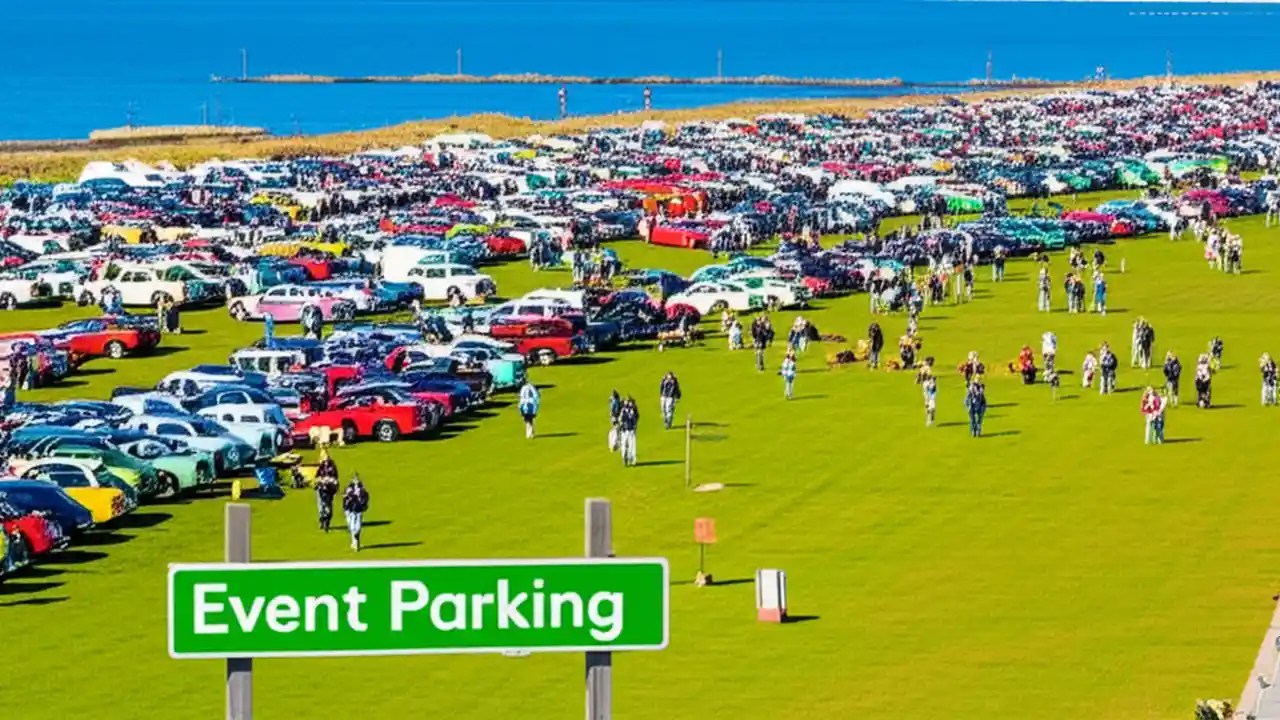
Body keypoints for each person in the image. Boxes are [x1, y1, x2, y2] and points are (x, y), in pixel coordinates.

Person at [341, 475, 369, 551]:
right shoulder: (348, 489)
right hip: (350, 510)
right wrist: (345, 506)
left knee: (358, 526)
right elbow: (344, 499)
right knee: (352, 526)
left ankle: (356, 539)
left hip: (358, 510)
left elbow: (366, 499)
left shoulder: (362, 490)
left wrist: (363, 505)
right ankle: (355, 542)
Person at [314, 455, 339, 533]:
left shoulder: (333, 468)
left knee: (328, 509)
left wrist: (331, 481)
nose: (326, 463)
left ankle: (326, 524)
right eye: (325, 461)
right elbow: (316, 477)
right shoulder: (321, 468)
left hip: (329, 491)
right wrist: (320, 480)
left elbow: (336, 479)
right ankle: (322, 520)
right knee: (321, 507)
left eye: (327, 461)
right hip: (320, 490)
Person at [617, 396, 639, 467]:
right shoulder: (623, 410)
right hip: (624, 430)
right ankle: (625, 458)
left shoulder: (633, 410)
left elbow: (637, 417)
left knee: (632, 446)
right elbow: (620, 419)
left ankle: (633, 460)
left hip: (631, 430)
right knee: (624, 446)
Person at [916, 356, 937, 426]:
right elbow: (926, 376)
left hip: (927, 386)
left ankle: (929, 419)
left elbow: (919, 377)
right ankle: (930, 419)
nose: (932, 363)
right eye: (932, 361)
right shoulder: (926, 368)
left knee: (928, 404)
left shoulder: (923, 368)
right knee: (931, 405)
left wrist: (918, 380)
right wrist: (932, 379)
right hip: (928, 386)